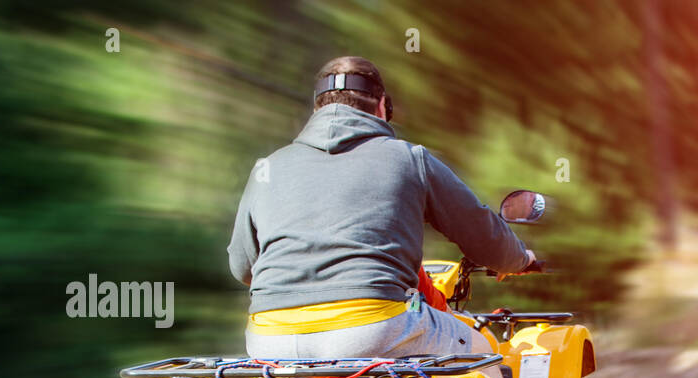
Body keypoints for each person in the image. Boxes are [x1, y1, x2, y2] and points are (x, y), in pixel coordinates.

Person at [228, 56, 534, 360]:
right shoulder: (410, 159)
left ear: (315, 109)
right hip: (374, 327)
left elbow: (242, 267)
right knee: (485, 350)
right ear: (382, 107)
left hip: (269, 339)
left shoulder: (268, 167)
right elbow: (483, 236)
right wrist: (519, 259)